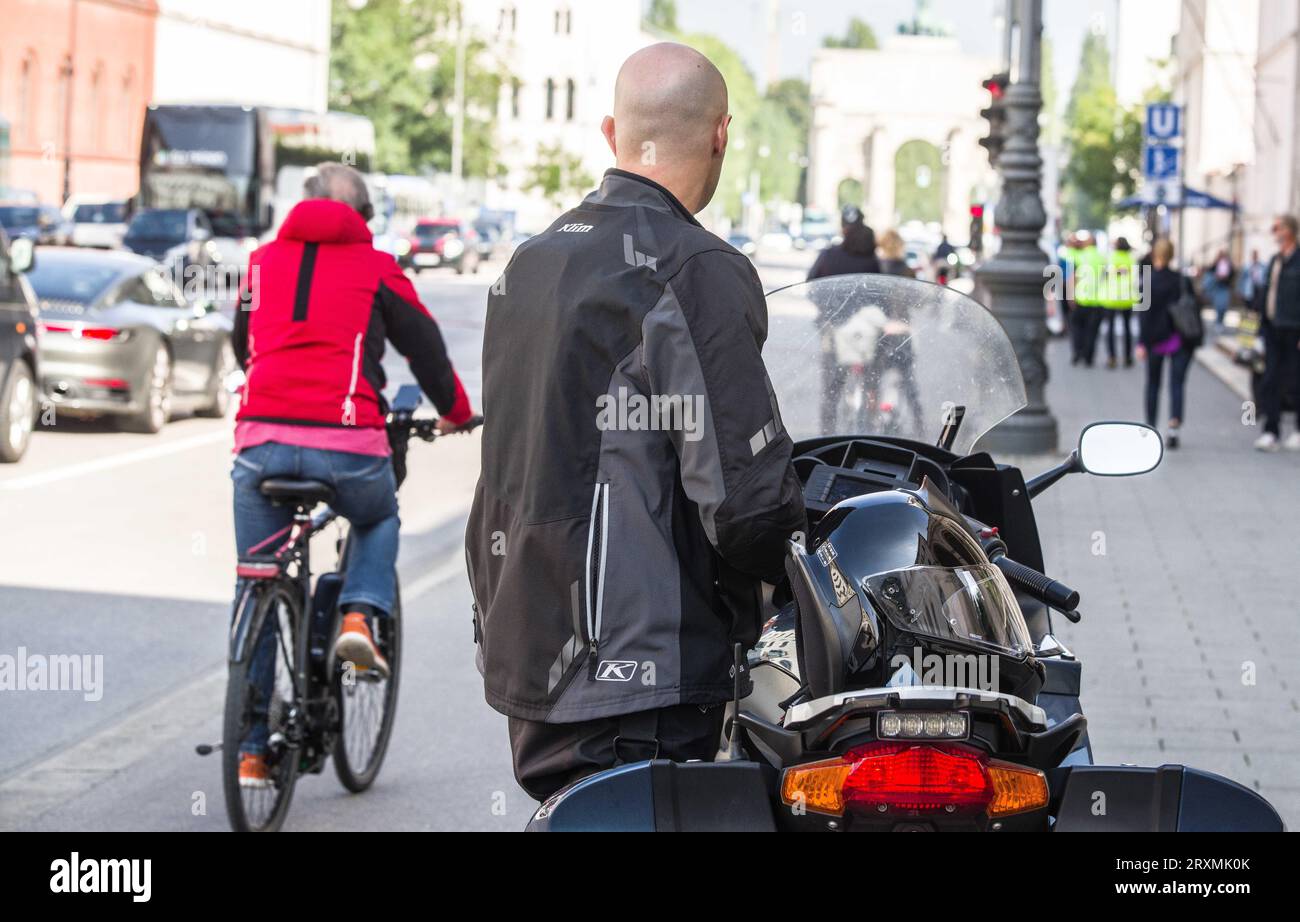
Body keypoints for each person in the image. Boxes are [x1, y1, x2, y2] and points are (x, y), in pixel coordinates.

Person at [465, 43, 807, 801]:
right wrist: (814, 570)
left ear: (610, 131)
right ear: (722, 134)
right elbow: (747, 503)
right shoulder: (693, 267)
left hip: (528, 637)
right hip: (635, 668)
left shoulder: (529, 261)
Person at [230, 162, 474, 787]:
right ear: (363, 217)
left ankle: (253, 750)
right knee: (377, 514)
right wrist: (455, 412)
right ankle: (362, 615)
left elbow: (243, 344)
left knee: (257, 577)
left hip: (260, 445)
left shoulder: (259, 263)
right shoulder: (377, 268)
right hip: (349, 444)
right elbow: (424, 346)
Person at [808, 205, 881, 431]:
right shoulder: (871, 259)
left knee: (831, 389)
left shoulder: (829, 255)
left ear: (842, 227)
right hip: (865, 332)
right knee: (871, 382)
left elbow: (812, 287)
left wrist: (827, 311)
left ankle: (826, 434)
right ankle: (871, 429)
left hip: (834, 330)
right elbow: (880, 296)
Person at [1137, 239, 1198, 449]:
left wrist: (1141, 343)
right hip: (1179, 338)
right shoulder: (1182, 280)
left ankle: (1151, 428)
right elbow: (1193, 306)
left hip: (1155, 340)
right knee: (1177, 384)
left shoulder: (1148, 280)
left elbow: (1143, 315)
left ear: (1155, 254)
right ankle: (1173, 428)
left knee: (1153, 384)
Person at [1252, 214, 1300, 451]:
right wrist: (1261, 330)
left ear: (1288, 231)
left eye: (1277, 228)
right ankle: (1271, 431)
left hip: (1293, 330)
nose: (1273, 232)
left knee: (1295, 381)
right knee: (1269, 380)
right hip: (1272, 329)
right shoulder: (1274, 260)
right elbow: (1266, 296)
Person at [1100, 236, 1138, 368]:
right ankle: (1128, 357)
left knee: (1110, 328)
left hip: (1111, 298)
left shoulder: (1111, 257)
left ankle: (1112, 357)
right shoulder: (1131, 258)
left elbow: (1105, 275)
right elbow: (1135, 278)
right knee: (1127, 328)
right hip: (1127, 297)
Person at [1072, 231, 1106, 366]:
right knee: (1092, 331)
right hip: (1098, 300)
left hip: (1081, 298)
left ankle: (1078, 352)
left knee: (1078, 327)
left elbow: (1074, 277)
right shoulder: (1102, 257)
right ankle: (1089, 357)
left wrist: (1071, 295)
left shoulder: (1080, 256)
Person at [1206, 248, 1235, 332]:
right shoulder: (1216, 264)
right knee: (1218, 305)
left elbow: (1232, 273)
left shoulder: (1228, 264)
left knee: (1224, 305)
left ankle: (1221, 321)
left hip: (1225, 286)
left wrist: (1226, 277)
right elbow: (1210, 271)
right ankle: (1218, 321)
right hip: (1217, 286)